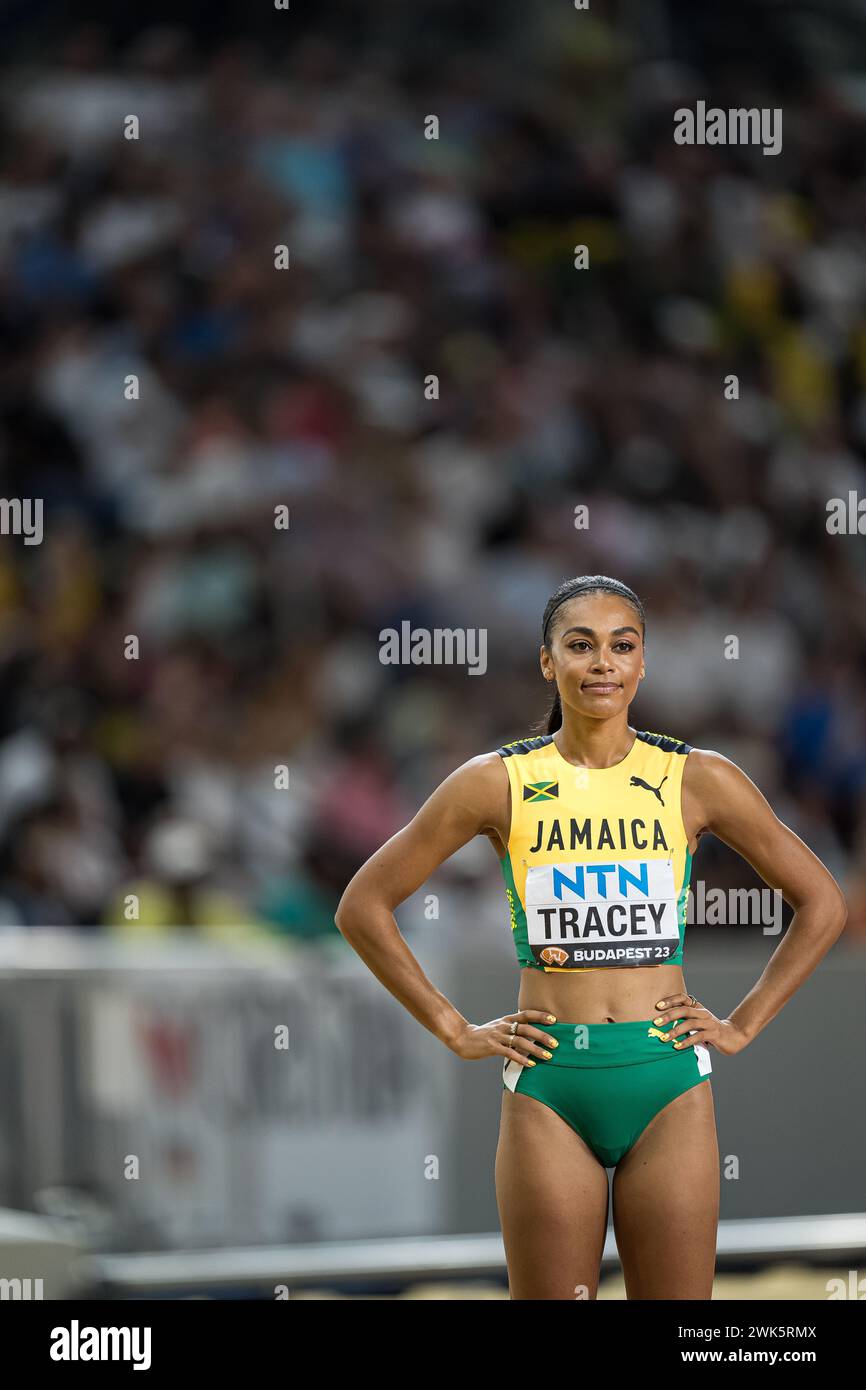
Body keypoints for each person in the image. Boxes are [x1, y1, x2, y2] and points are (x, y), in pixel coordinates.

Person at [334, 575, 847, 1299]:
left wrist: (741, 1024)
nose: (603, 662)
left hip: (666, 1080)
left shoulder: (696, 777)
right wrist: (452, 1027)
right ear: (548, 662)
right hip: (551, 1089)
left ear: (643, 663)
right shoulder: (496, 781)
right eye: (581, 645)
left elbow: (822, 902)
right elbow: (363, 905)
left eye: (622, 645)